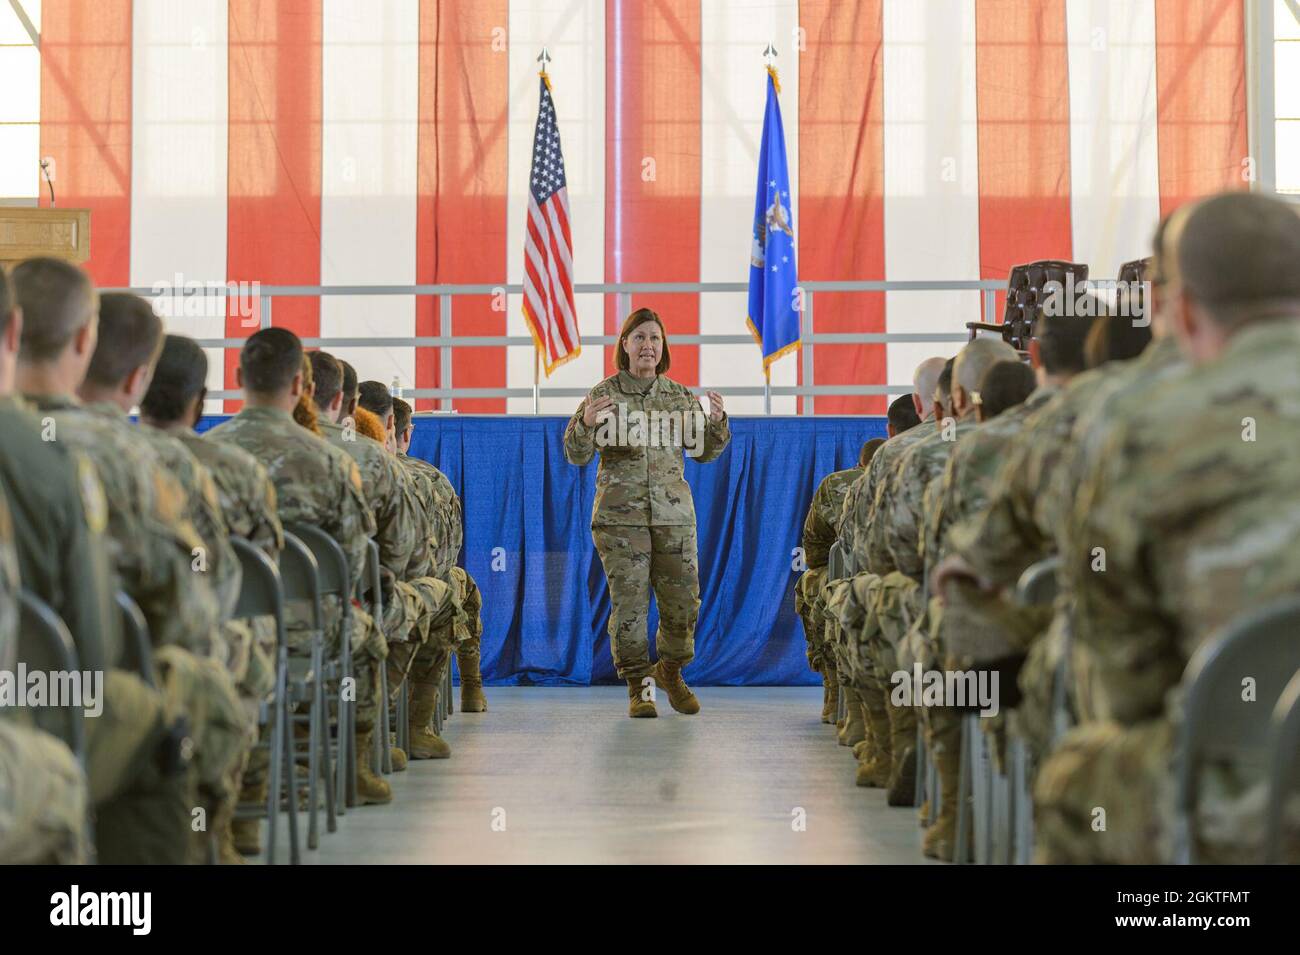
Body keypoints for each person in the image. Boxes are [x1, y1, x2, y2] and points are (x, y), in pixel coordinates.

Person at [1037, 191, 1300, 864]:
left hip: (1255, 800)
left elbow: (1122, 686)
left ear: (1179, 312)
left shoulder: (1142, 427)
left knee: (1077, 783)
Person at [85, 294, 249, 864]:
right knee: (216, 666)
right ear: (137, 376)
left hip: (28, 683)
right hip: (114, 690)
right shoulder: (155, 470)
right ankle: (209, 836)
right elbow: (205, 605)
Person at [206, 329, 392, 805]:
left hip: (222, 624)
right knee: (368, 638)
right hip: (308, 626)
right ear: (303, 388)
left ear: (238, 378)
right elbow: (352, 561)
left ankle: (246, 792)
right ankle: (351, 771)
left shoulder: (206, 456)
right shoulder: (330, 463)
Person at [140, 333, 285, 859]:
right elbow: (262, 574)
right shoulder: (232, 470)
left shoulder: (88, 454)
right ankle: (230, 818)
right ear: (199, 398)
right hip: (194, 644)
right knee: (254, 643)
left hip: (90, 656)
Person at [564, 307, 729, 718]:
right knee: (630, 608)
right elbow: (575, 454)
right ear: (624, 345)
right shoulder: (604, 395)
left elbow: (705, 452)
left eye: (654, 338)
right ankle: (640, 685)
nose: (647, 346)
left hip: (675, 519)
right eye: (639, 338)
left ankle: (671, 671)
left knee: (683, 605)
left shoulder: (678, 396)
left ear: (663, 347)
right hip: (621, 522)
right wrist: (585, 423)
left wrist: (718, 422)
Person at [310, 354, 460, 762]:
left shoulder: (230, 453)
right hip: (351, 617)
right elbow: (411, 562)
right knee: (438, 594)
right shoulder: (375, 461)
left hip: (257, 623)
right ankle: (379, 736)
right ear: (344, 400)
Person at [392, 396, 489, 715]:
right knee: (463, 587)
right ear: (406, 431)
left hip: (351, 596)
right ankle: (470, 690)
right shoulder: (431, 479)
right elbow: (449, 551)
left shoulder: (345, 468)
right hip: (416, 595)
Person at [795, 438, 884, 726]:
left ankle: (834, 690)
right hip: (911, 585)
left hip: (852, 584)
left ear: (860, 464)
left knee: (811, 584)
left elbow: (815, 550)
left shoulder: (837, 483)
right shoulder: (920, 471)